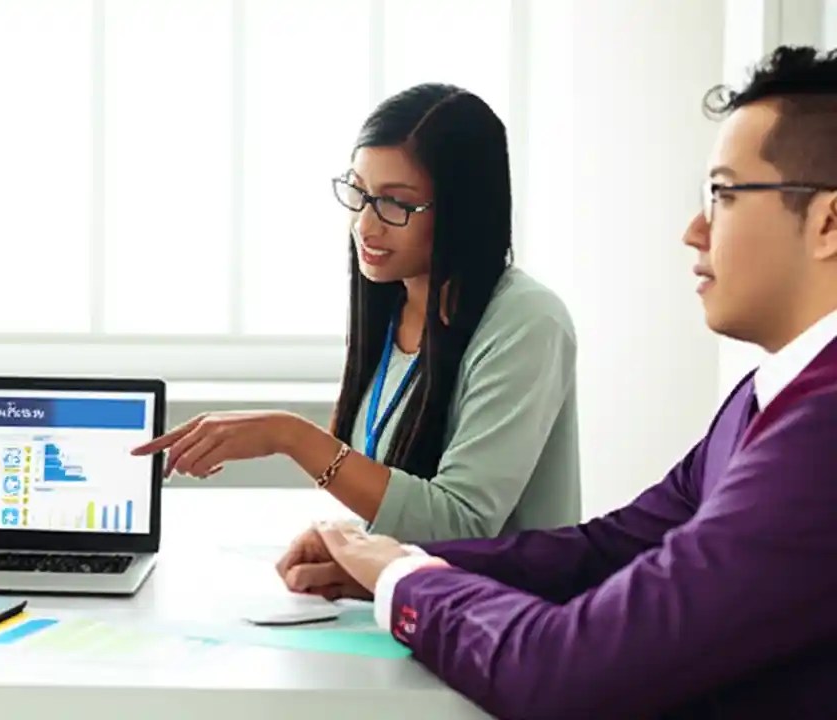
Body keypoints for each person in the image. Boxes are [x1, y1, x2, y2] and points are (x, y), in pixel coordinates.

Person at [278, 46, 837, 719]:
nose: (693, 230)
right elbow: (611, 550)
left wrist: (402, 578)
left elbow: (565, 670)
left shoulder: (821, 438)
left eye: (721, 193)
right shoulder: (762, 397)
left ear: (828, 222)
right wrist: (396, 559)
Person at [134, 83, 580, 545]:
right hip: (409, 593)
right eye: (359, 192)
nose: (365, 225)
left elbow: (460, 523)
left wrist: (290, 436)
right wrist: (348, 553)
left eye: (395, 202)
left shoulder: (528, 322)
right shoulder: (394, 301)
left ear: (463, 210)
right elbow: (396, 505)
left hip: (501, 610)